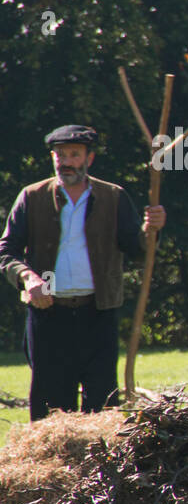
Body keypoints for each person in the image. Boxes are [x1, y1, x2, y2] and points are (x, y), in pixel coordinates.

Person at [0, 125, 165, 420]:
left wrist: (151, 229)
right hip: (48, 315)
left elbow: (139, 251)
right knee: (51, 407)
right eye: (60, 155)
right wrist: (28, 278)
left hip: (98, 313)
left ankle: (101, 466)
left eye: (74, 154)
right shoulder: (32, 197)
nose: (66, 162)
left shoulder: (113, 197)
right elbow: (6, 251)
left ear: (89, 159)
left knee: (102, 404)